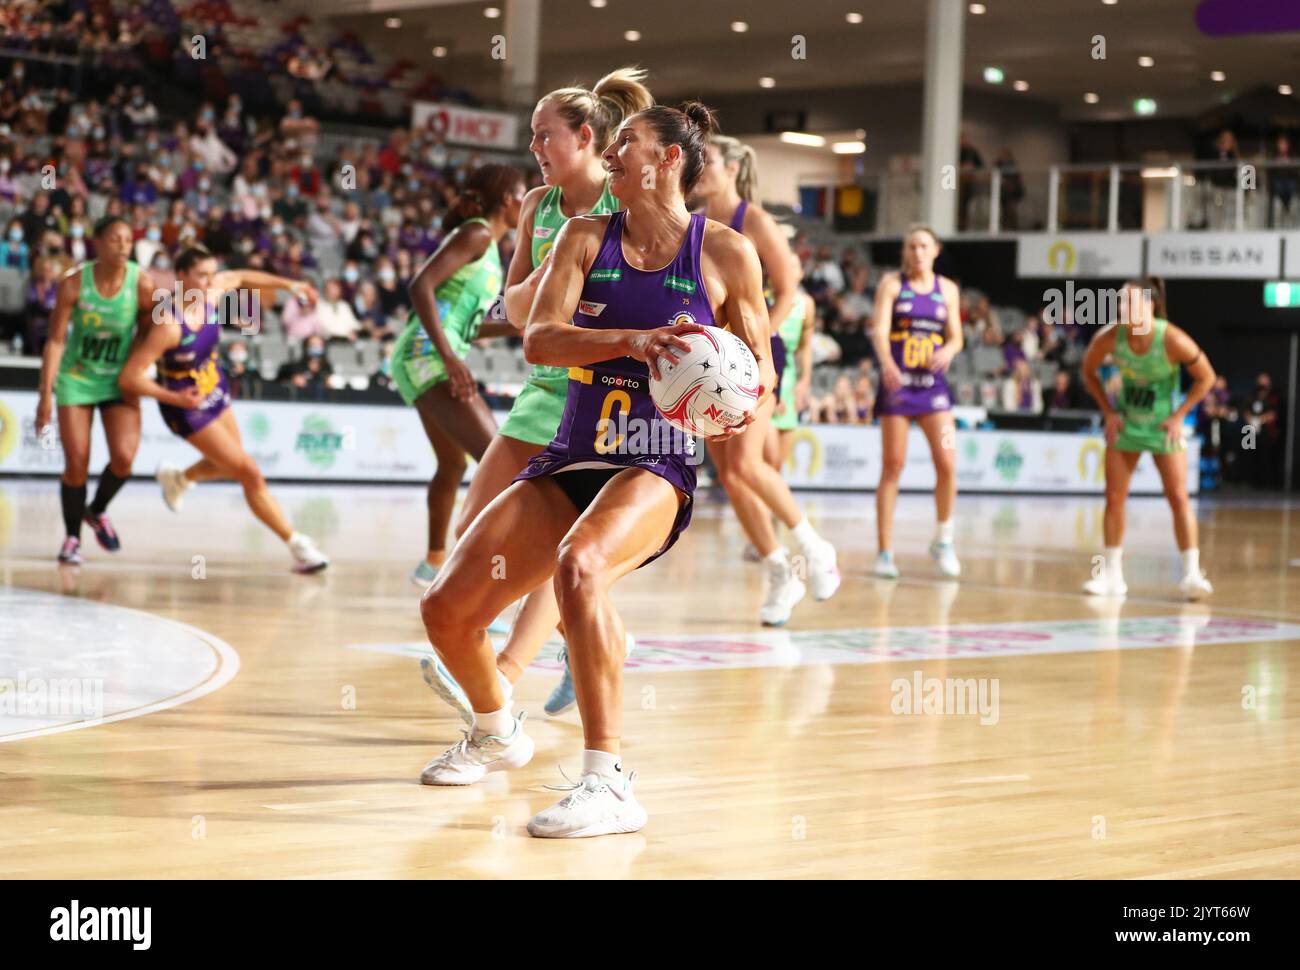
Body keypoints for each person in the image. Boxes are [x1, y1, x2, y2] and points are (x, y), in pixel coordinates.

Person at [416, 101, 773, 839]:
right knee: (446, 611)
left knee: (580, 565)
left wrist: (732, 396)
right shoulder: (582, 237)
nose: (611, 153)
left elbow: (759, 368)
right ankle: (496, 729)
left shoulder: (728, 253)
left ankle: (607, 782)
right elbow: (540, 341)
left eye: (627, 144)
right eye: (608, 143)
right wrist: (636, 341)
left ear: (668, 158)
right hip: (574, 451)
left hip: (658, 463)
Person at [419, 69, 655, 724]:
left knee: (557, 551)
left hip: (596, 386)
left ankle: (506, 677)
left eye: (544, 136)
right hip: (541, 384)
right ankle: (602, 638)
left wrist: (552, 295)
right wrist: (557, 283)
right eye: (530, 138)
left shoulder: (621, 201)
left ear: (584, 138)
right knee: (475, 532)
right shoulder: (536, 208)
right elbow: (518, 309)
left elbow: (587, 302)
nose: (535, 149)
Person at [694, 133, 840, 624]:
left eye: (708, 159)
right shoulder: (693, 218)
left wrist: (758, 344)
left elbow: (790, 290)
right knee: (729, 475)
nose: (701, 166)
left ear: (732, 168)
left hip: (754, 353)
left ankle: (813, 548)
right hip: (709, 356)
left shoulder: (751, 221)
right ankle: (781, 572)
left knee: (748, 466)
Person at [117, 245, 330, 573]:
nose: (208, 281)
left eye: (211, 274)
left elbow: (243, 275)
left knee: (234, 465)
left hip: (214, 387)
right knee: (249, 472)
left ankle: (180, 478)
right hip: (186, 407)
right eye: (200, 275)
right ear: (182, 276)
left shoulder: (213, 292)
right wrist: (176, 399)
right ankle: (297, 545)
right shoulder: (169, 324)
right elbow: (130, 378)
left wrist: (292, 285)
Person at [391, 163, 525, 585]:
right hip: (427, 355)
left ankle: (432, 564)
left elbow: (470, 322)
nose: (529, 201)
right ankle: (478, 584)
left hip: (423, 355)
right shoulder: (478, 233)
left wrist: (518, 323)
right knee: (498, 468)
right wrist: (449, 357)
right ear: (507, 199)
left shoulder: (490, 247)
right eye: (524, 192)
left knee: (451, 465)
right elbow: (420, 286)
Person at [1079, 277, 1215, 599]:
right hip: (1126, 425)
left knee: (1178, 498)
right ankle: (1111, 576)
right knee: (1114, 498)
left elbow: (1206, 378)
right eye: (1120, 302)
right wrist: (1109, 412)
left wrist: (1179, 415)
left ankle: (1192, 574)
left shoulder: (1171, 339)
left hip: (1161, 428)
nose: (1122, 308)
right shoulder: (1110, 337)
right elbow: (1088, 372)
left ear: (1149, 306)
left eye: (1129, 302)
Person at [35, 216, 155, 564]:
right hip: (77, 377)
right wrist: (46, 395)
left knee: (124, 459)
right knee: (76, 463)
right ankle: (72, 538)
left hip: (118, 379)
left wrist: (136, 369)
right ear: (97, 243)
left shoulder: (143, 285)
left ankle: (97, 509)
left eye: (128, 241)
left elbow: (150, 333)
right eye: (115, 239)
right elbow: (55, 341)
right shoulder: (73, 284)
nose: (122, 246)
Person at [870, 224, 965, 579]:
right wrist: (888, 364)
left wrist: (949, 351)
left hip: (934, 389)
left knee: (948, 462)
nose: (917, 252)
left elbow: (957, 337)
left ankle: (943, 539)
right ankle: (884, 551)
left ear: (936, 250)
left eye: (924, 246)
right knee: (893, 466)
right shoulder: (892, 285)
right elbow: (879, 331)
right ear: (905, 252)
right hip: (899, 385)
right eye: (912, 246)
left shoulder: (949, 290)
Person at [765, 250, 815, 470]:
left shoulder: (806, 304)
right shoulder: (763, 298)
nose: (787, 270)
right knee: (767, 459)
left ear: (801, 273)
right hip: (768, 377)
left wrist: (805, 381)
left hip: (790, 382)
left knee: (777, 465)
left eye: (793, 266)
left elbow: (805, 347)